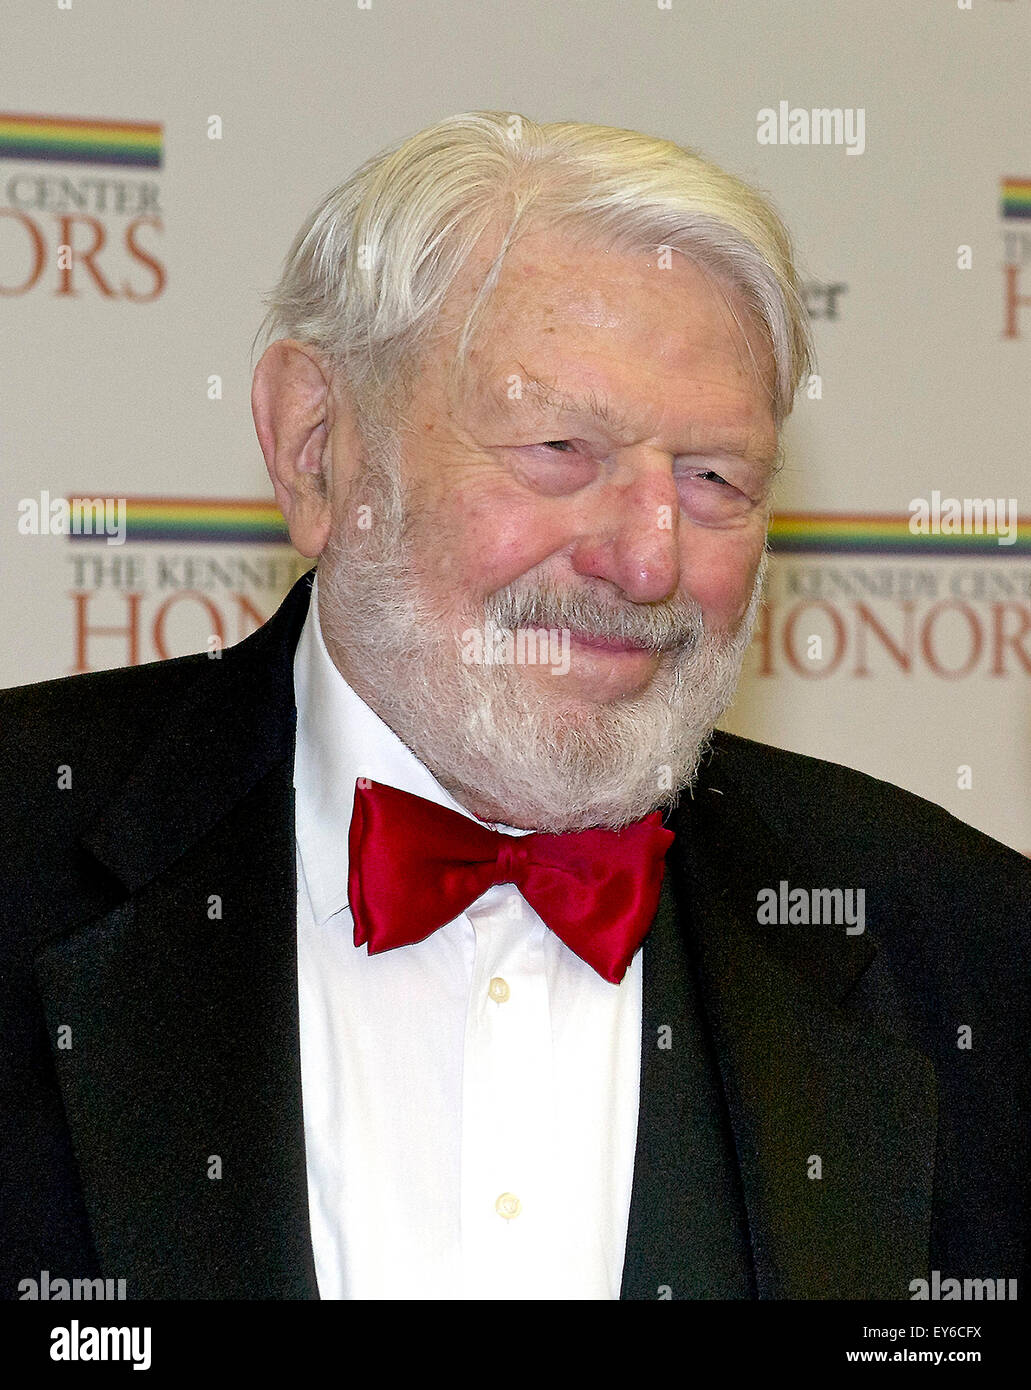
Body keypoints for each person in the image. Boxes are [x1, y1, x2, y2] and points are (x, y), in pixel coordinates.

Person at [1, 111, 1027, 1302]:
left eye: (711, 478)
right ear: (316, 447)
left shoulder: (969, 956)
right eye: (557, 447)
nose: (646, 560)